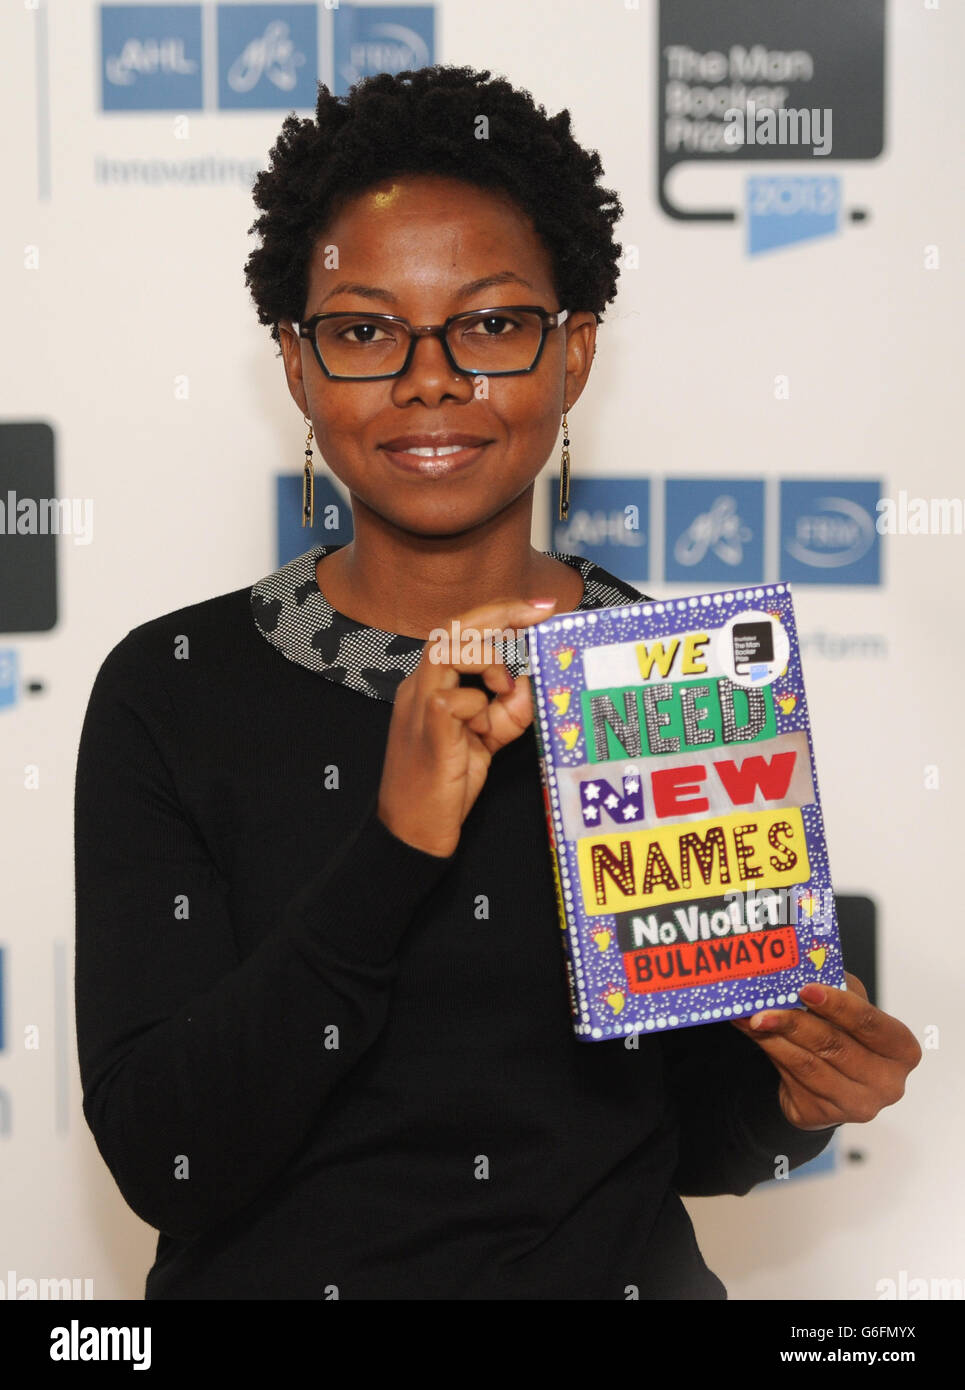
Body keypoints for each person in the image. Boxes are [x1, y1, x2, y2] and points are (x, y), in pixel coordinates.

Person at [74, 64, 921, 1301]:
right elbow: (169, 1157)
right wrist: (395, 844)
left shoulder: (667, 677)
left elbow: (688, 1136)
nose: (430, 376)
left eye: (490, 323)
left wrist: (797, 1100)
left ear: (572, 354)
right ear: (298, 368)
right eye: (364, 329)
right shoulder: (174, 687)